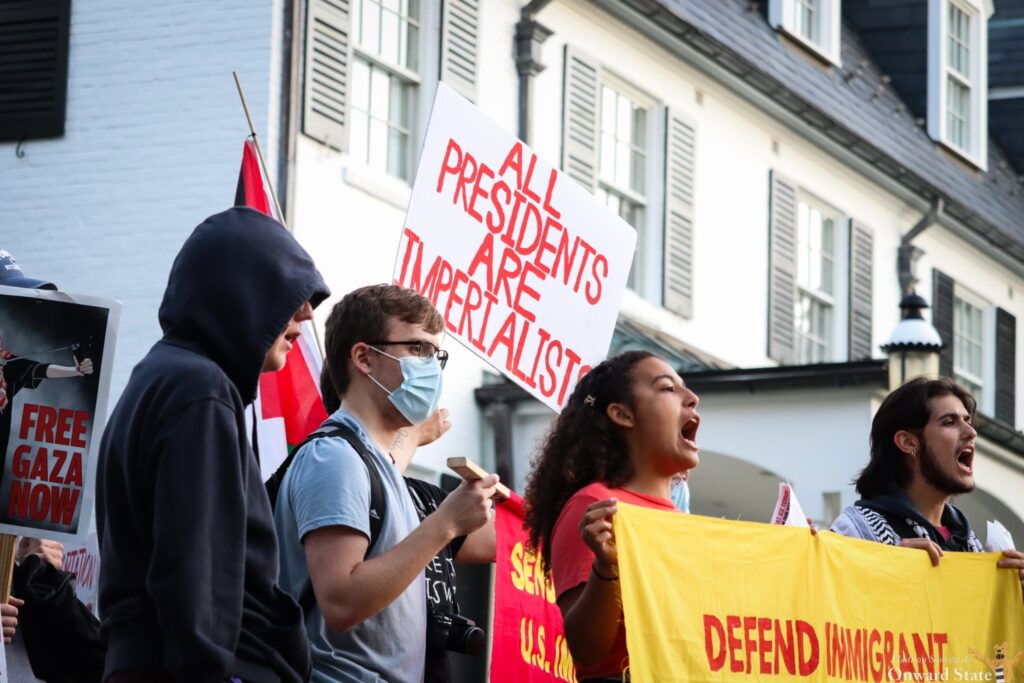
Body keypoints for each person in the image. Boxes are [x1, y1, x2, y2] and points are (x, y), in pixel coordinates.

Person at [97, 207, 329, 682]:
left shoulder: (164, 378)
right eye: (288, 293)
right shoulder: (199, 390)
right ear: (239, 293)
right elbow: (195, 576)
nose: (306, 314)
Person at [274, 284, 496, 682]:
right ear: (364, 358)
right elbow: (341, 602)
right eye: (418, 350)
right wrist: (444, 524)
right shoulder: (335, 458)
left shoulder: (376, 465)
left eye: (436, 354)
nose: (432, 368)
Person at [523, 350, 701, 681]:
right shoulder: (597, 507)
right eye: (667, 389)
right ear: (622, 414)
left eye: (685, 389)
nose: (692, 399)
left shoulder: (684, 522)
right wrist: (607, 568)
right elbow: (588, 651)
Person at [321, 369, 495, 682]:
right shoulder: (333, 469)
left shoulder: (423, 494)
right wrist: (412, 436)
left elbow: (514, 540)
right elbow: (343, 603)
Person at [830, 377, 1024, 590]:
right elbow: (829, 612)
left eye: (967, 421)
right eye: (949, 422)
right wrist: (887, 571)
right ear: (908, 442)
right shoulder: (855, 532)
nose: (971, 432)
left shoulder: (973, 548)